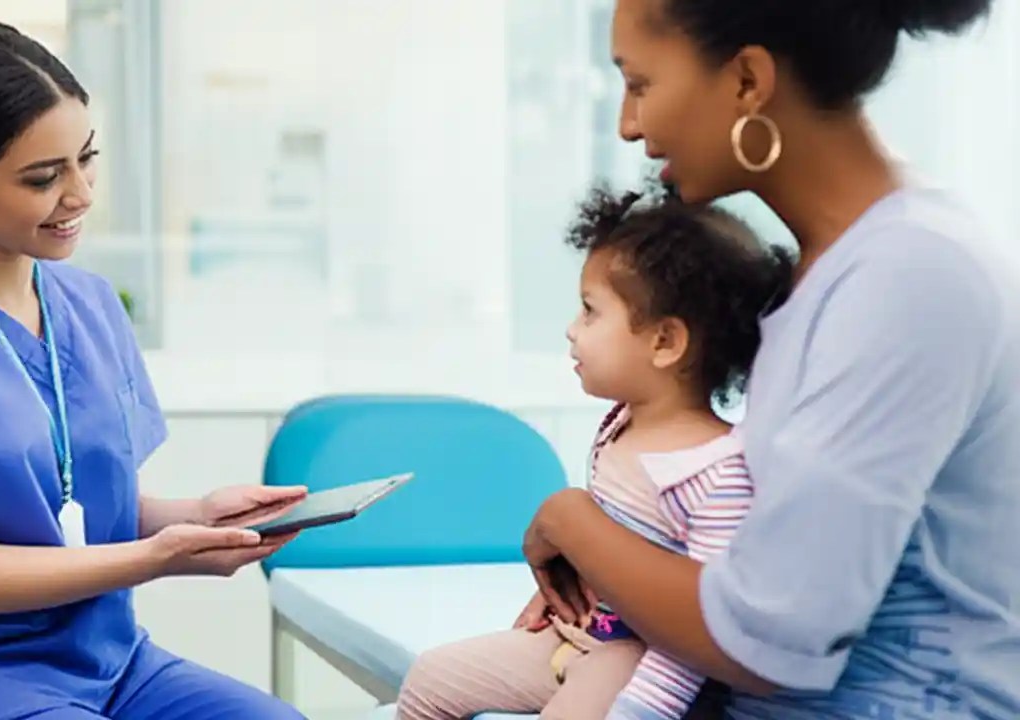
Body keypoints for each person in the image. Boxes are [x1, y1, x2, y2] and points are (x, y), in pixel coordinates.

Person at [522, 0, 1020, 717]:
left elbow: (765, 639)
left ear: (748, 81)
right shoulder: (833, 271)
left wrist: (571, 520)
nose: (629, 125)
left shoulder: (908, 276)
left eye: (640, 84)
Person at [0, 21, 307, 720]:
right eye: (43, 177)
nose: (80, 194)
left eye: (86, 159)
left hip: (106, 661)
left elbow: (75, 502)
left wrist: (195, 519)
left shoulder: (91, 304)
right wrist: (156, 559)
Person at [396, 187, 790, 720]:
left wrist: (635, 711)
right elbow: (609, 541)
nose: (571, 329)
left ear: (665, 342)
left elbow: (700, 633)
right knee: (430, 678)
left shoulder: (718, 473)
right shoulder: (621, 423)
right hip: (575, 636)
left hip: (641, 662)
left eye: (589, 312)